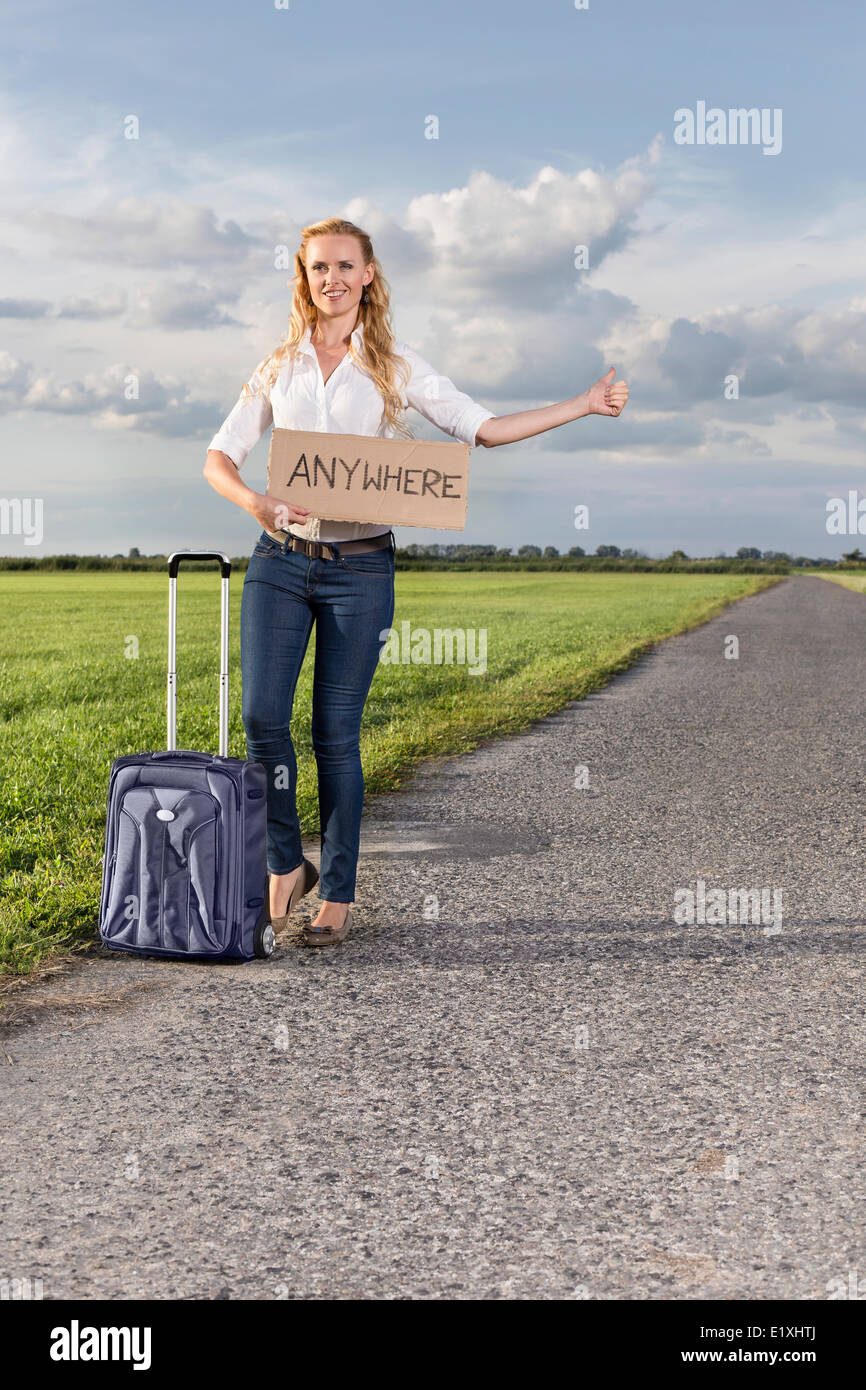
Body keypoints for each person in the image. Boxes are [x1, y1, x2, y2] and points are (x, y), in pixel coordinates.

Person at [203, 216, 629, 946]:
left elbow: (484, 429)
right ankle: (284, 863)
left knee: (334, 733)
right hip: (280, 562)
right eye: (316, 269)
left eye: (344, 266)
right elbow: (219, 456)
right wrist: (258, 502)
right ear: (303, 279)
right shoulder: (279, 367)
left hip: (360, 569)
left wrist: (582, 405)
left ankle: (335, 890)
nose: (330, 279)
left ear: (368, 274)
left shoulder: (396, 366)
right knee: (261, 719)